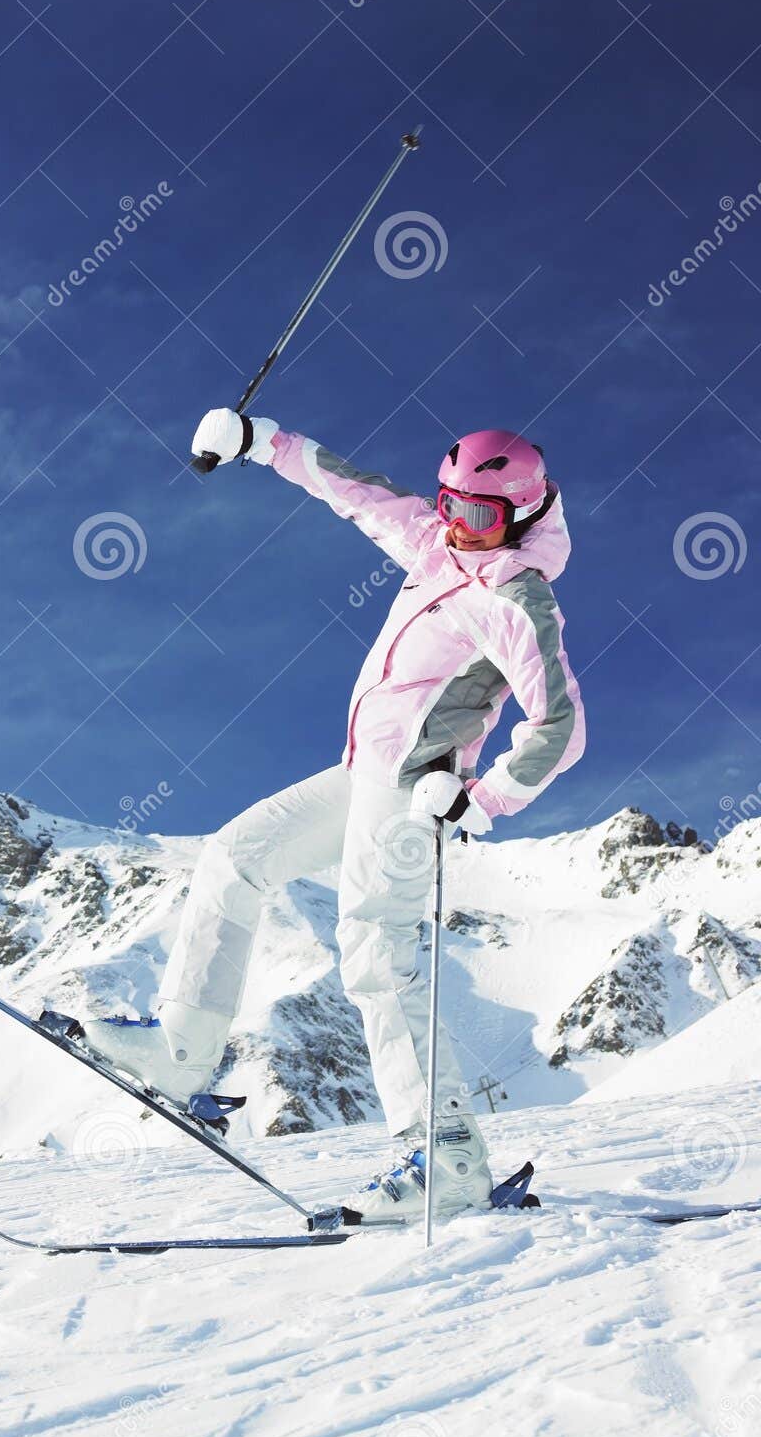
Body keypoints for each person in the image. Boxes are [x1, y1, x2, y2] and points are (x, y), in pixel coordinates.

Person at [85, 415, 585, 1222]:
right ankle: (182, 1050)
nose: (458, 525)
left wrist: (482, 797)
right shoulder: (436, 547)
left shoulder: (517, 596)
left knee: (377, 953)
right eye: (450, 503)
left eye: (479, 514)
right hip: (363, 774)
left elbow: (560, 725)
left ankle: (448, 1159)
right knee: (236, 855)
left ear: (522, 514)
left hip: (414, 791)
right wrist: (258, 440)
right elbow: (355, 491)